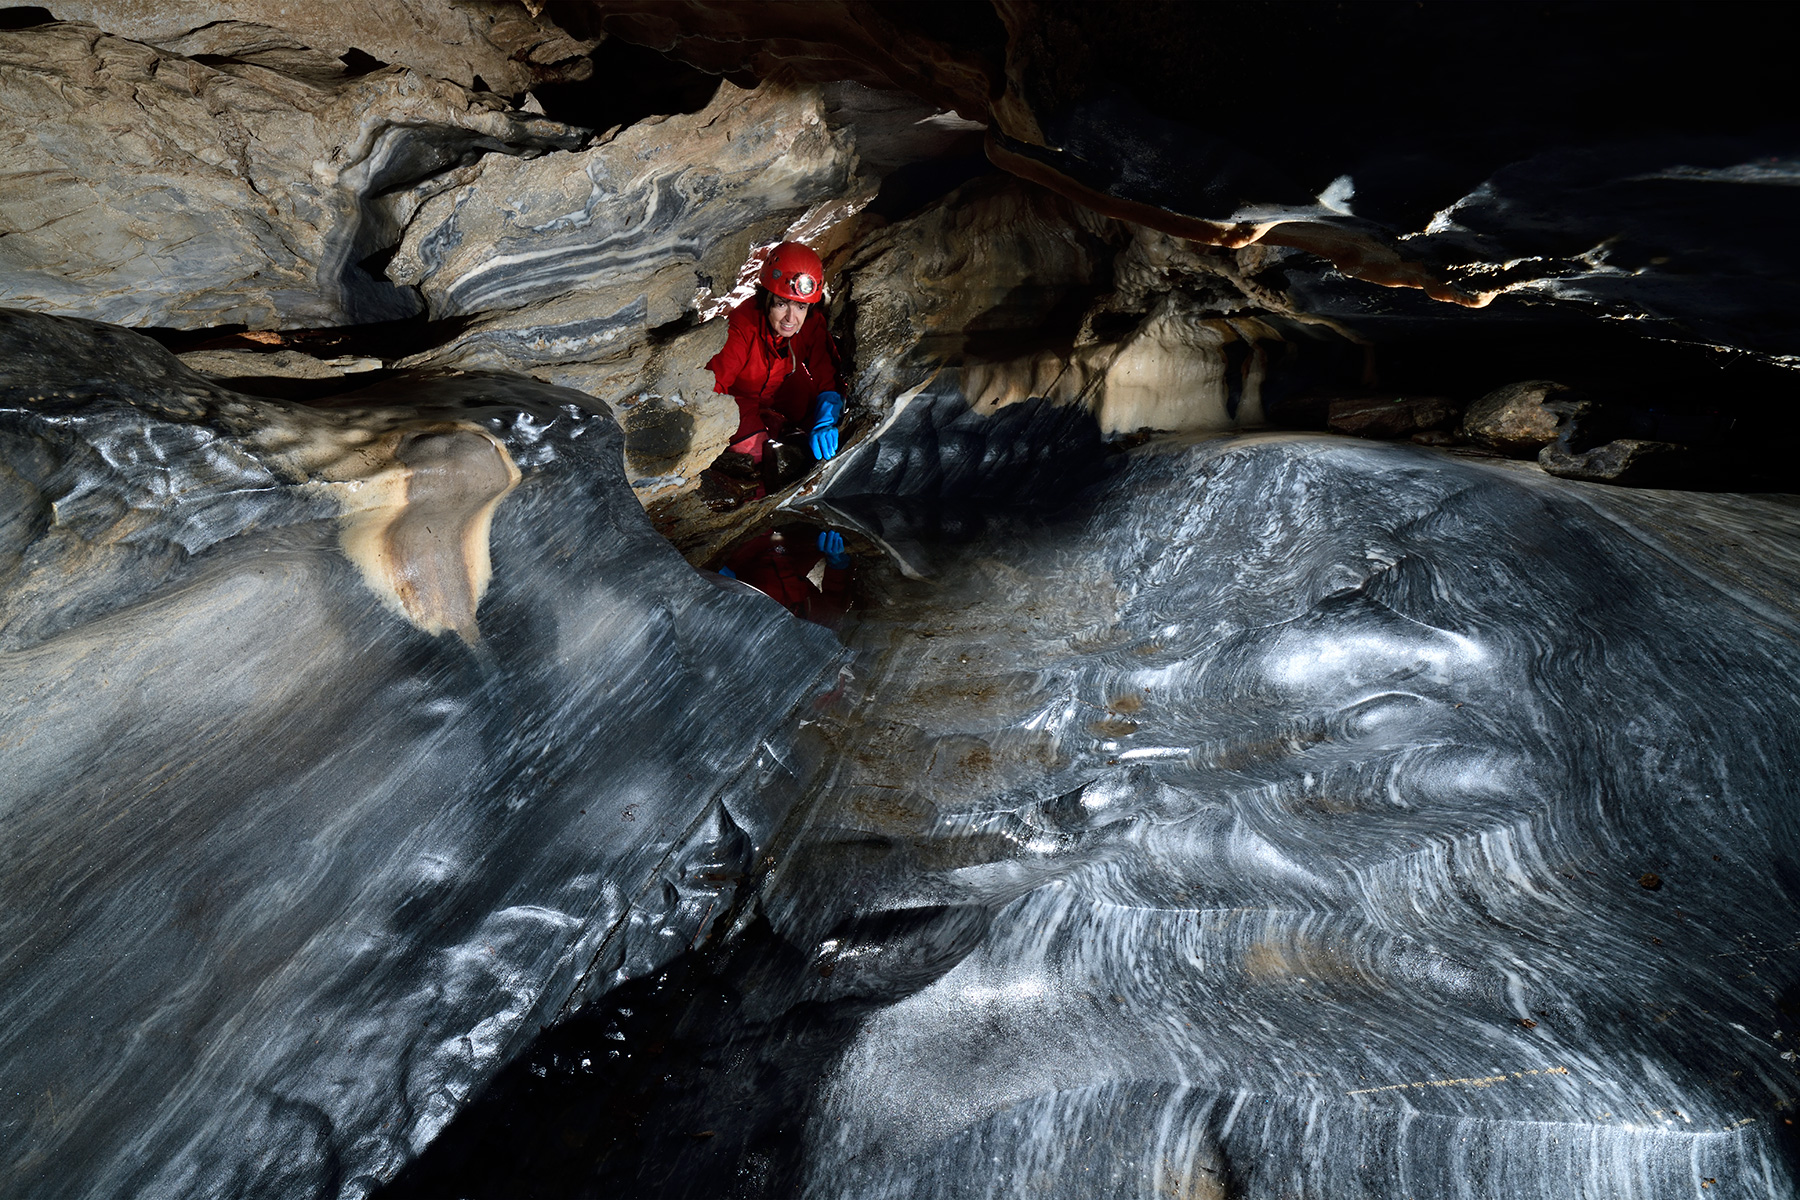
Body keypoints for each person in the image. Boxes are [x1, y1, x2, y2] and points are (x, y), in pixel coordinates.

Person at [706, 241, 846, 477]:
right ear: (767, 299)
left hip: (784, 386)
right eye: (782, 304)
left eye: (801, 307)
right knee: (760, 457)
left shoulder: (812, 323)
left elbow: (828, 376)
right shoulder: (741, 328)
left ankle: (782, 425)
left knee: (829, 427)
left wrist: (826, 420)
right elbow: (714, 388)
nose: (791, 318)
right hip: (741, 398)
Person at [719, 525, 852, 626]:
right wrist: (838, 564)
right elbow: (835, 600)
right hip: (799, 543)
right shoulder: (817, 624)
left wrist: (721, 576)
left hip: (743, 541)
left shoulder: (749, 623)